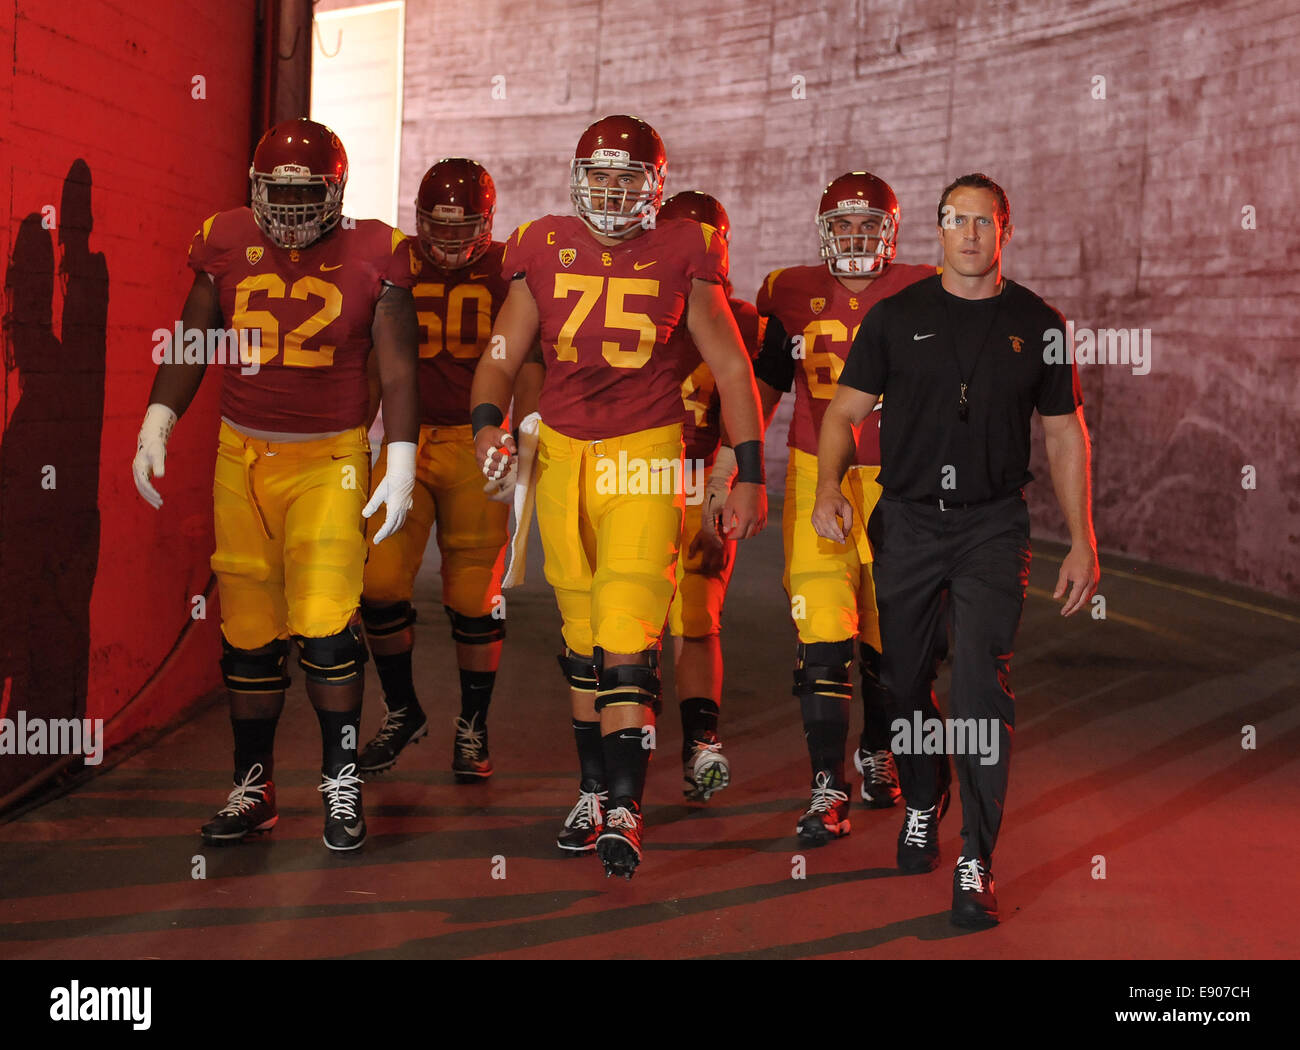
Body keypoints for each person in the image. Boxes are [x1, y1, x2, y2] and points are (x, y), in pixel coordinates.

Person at [469, 114, 767, 878]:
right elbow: (502, 353)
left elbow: (732, 370)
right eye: (598, 175)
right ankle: (594, 789)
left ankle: (627, 808)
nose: (610, 189)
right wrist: (485, 428)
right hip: (564, 456)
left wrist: (750, 470)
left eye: (626, 177)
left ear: (653, 189)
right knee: (580, 637)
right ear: (578, 178)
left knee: (627, 622)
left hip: (645, 454)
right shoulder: (541, 242)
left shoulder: (682, 249)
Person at [814, 173, 1099, 926]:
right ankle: (923, 789)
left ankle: (976, 856)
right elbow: (842, 415)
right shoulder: (893, 317)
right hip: (907, 521)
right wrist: (827, 490)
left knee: (979, 689)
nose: (971, 234)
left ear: (1005, 230)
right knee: (903, 682)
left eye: (984, 222)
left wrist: (1082, 540)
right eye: (956, 220)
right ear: (936, 230)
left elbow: (1066, 432)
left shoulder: (1039, 322)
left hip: (991, 527)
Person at [131, 118, 421, 851]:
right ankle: (253, 787)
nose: (291, 210)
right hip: (243, 458)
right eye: (278, 194)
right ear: (255, 191)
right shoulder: (225, 238)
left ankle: (340, 782)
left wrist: (403, 455)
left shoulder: (374, 251)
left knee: (325, 625)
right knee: (250, 633)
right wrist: (157, 419)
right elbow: (194, 337)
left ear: (336, 192)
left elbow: (397, 368)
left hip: (331, 457)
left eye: (306, 194)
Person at [752, 172, 934, 845]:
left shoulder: (926, 286)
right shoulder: (789, 290)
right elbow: (769, 377)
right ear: (825, 231)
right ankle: (827, 785)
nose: (857, 239)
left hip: (902, 480)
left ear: (890, 232)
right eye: (845, 226)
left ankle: (878, 751)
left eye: (869, 226)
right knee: (824, 630)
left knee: (892, 636)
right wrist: (733, 463)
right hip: (816, 472)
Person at [356, 157, 542, 783]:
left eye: (465, 231)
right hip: (407, 440)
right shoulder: (395, 259)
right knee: (377, 584)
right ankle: (404, 709)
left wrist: (528, 432)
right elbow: (371, 360)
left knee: (472, 594)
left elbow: (530, 360)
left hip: (475, 443)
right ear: (419, 220)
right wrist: (357, 431)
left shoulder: (507, 268)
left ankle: (473, 724)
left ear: (487, 225)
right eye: (439, 228)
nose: (451, 243)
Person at [658, 190, 764, 803]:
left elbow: (745, 401)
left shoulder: (743, 319)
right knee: (619, 622)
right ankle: (617, 756)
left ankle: (699, 742)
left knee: (696, 617)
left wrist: (727, 477)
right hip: (625, 477)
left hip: (699, 478)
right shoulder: (631, 305)